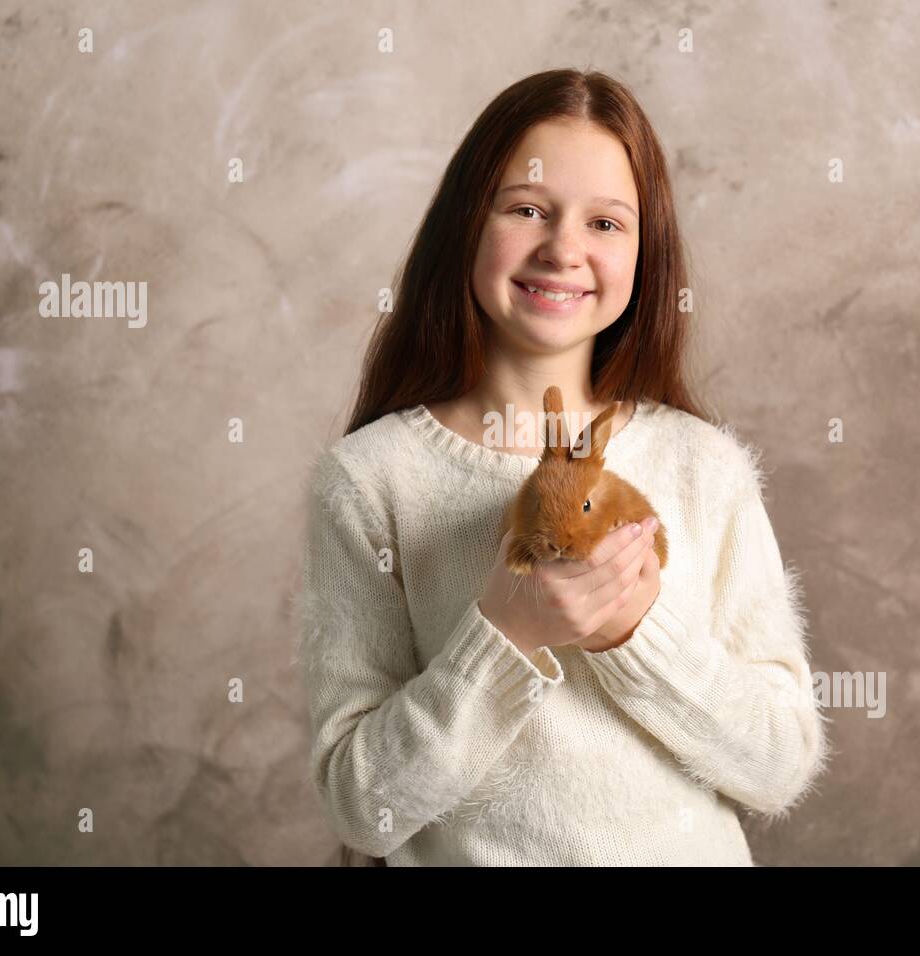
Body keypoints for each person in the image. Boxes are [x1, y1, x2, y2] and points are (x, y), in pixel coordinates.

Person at [297, 68, 832, 866]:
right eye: (526, 209)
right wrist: (504, 634)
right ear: (463, 228)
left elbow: (778, 766)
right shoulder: (370, 482)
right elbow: (361, 807)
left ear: (646, 255)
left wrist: (638, 636)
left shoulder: (704, 468)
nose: (564, 249)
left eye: (607, 224)